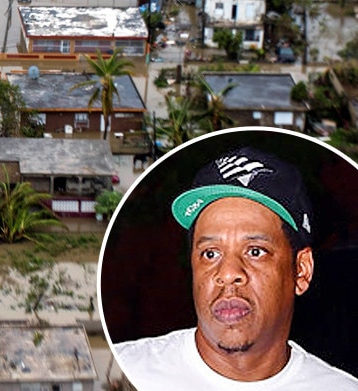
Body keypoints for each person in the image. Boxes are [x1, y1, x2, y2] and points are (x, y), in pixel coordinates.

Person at [113, 146, 358, 390]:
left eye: (255, 251)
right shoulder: (127, 369)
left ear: (301, 271)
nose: (228, 274)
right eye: (210, 254)